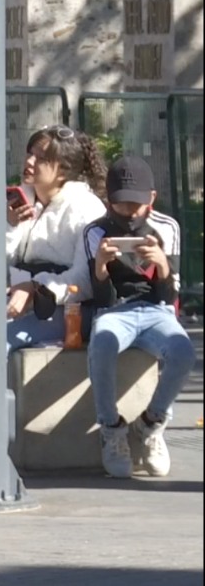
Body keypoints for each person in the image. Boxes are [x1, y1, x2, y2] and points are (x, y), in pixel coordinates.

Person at [82, 156, 196, 479]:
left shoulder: (166, 227)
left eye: (137, 205)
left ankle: (151, 423)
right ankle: (111, 427)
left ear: (151, 200)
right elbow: (101, 299)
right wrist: (101, 268)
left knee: (183, 352)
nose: (130, 213)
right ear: (109, 202)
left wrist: (162, 265)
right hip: (115, 310)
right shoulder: (95, 232)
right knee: (102, 342)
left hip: (155, 309)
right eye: (121, 205)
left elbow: (168, 298)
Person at [5, 126, 107, 350]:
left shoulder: (85, 208)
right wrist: (10, 226)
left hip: (70, 309)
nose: (29, 161)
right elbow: (2, 264)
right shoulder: (25, 200)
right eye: (29, 152)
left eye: (41, 158)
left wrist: (36, 287)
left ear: (63, 171)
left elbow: (85, 280)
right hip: (22, 298)